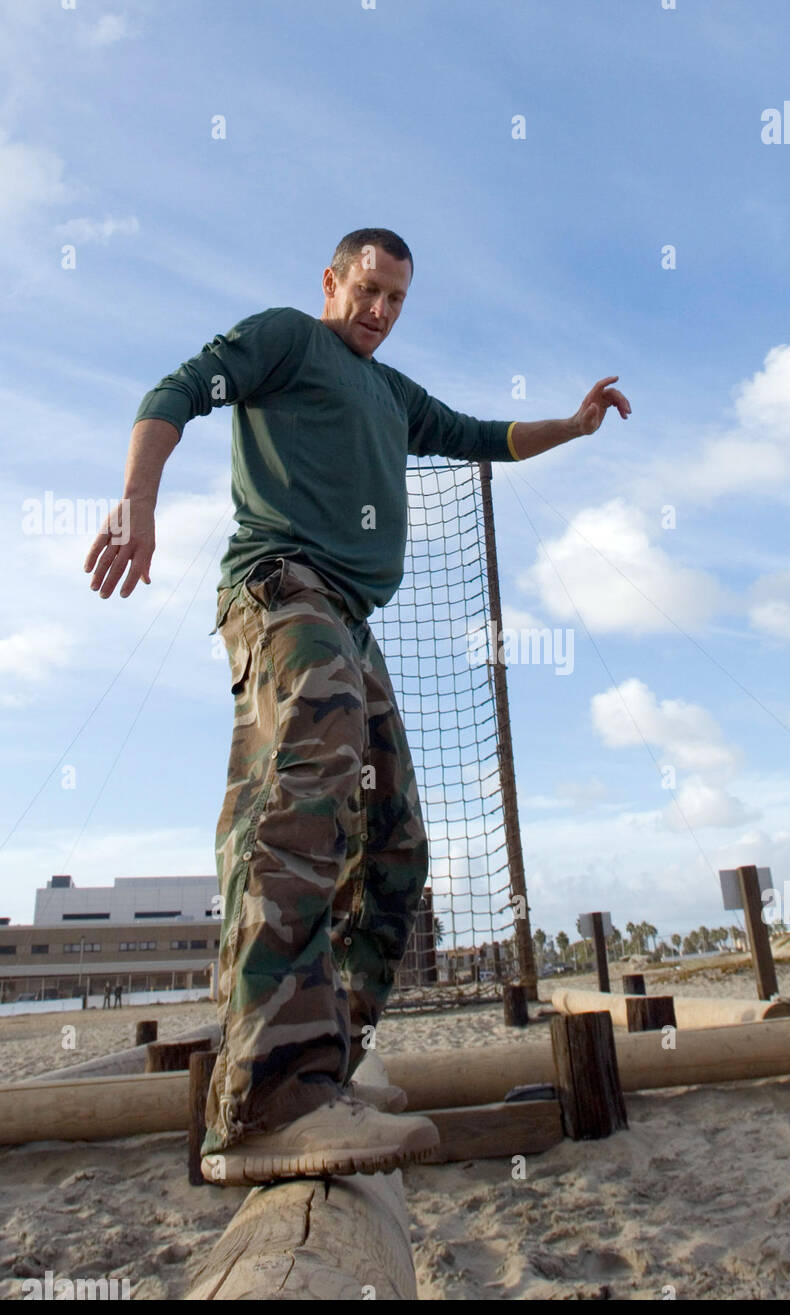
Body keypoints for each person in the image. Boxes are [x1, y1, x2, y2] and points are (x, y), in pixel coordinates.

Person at [84, 229, 630, 1186]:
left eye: (396, 299)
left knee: (395, 841)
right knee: (301, 803)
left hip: (350, 620)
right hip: (282, 590)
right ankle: (265, 1101)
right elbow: (172, 394)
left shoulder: (392, 394)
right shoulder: (289, 339)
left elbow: (485, 438)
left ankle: (329, 1061)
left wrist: (575, 428)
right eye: (367, 290)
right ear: (332, 280)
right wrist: (138, 495)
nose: (378, 310)